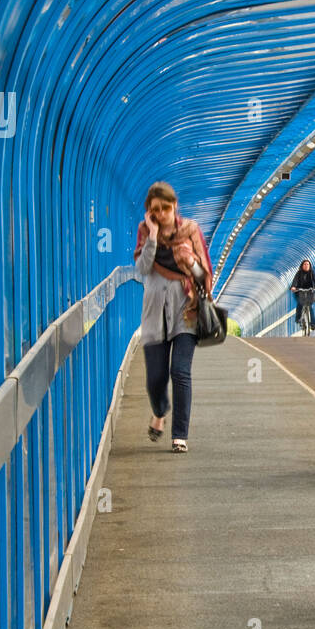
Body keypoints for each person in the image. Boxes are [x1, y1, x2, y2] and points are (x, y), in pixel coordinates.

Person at [134, 181, 213, 453]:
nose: (161, 213)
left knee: (180, 371)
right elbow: (142, 268)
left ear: (174, 206)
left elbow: (205, 274)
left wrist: (189, 261)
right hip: (155, 314)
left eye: (165, 207)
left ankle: (180, 435)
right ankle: (159, 411)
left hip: (186, 311)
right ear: (149, 212)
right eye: (155, 209)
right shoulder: (145, 232)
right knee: (155, 379)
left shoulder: (190, 230)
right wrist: (153, 237)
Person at [289, 259, 315, 332]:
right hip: (299, 291)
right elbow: (295, 281)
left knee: (311, 307)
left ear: (310, 266)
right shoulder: (299, 273)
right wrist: (293, 287)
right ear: (302, 266)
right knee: (300, 303)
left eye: (308, 264)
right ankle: (298, 318)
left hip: (309, 291)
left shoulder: (312, 273)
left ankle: (313, 324)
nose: (306, 266)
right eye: (305, 264)